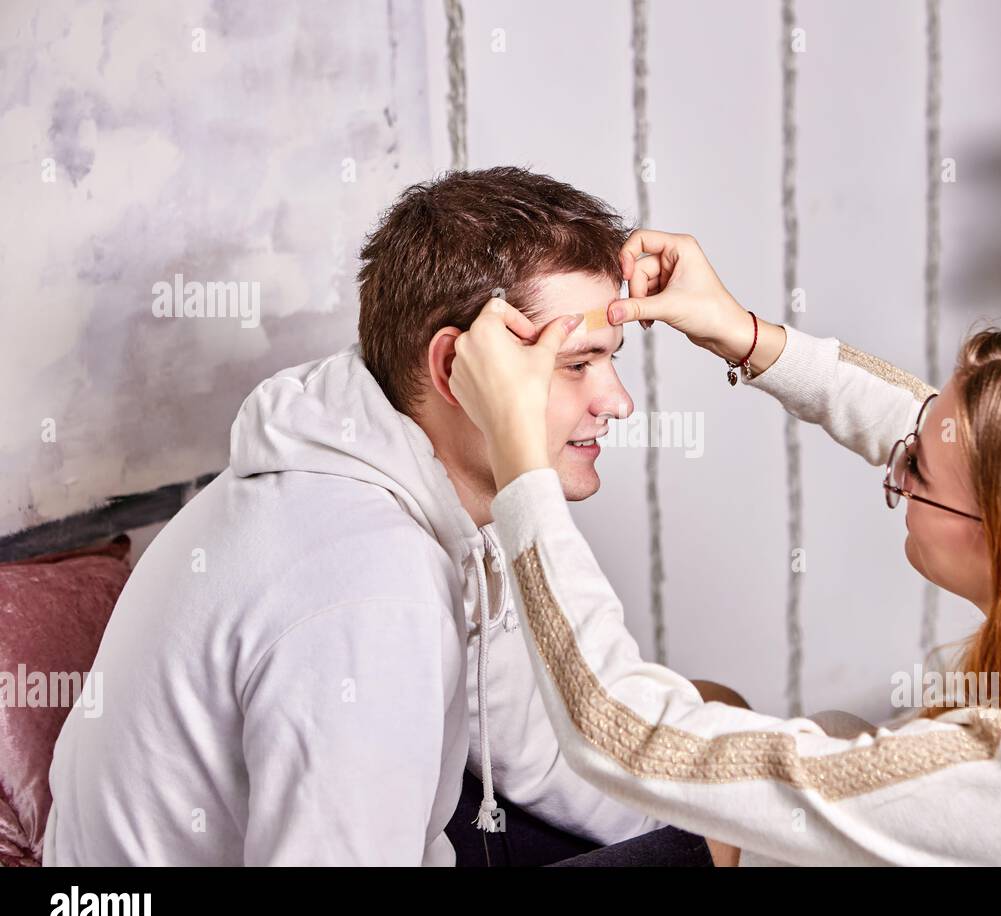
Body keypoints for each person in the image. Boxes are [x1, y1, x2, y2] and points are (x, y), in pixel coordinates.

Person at [448, 228, 1001, 866]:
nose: (896, 471)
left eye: (913, 475)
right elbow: (942, 432)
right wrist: (744, 334)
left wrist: (521, 455)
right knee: (782, 721)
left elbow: (623, 733)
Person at [44, 169, 737, 866]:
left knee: (714, 734)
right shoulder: (371, 588)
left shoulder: (385, 446)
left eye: (609, 361)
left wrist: (691, 790)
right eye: (578, 364)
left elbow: (527, 730)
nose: (618, 403)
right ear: (455, 367)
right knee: (716, 833)